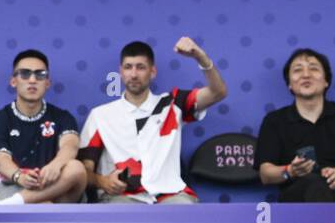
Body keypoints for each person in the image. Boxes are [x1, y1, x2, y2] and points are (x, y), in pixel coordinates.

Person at [80, 38, 228, 204]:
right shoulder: (100, 115)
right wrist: (103, 181)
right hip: (122, 197)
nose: (134, 74)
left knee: (186, 209)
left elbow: (218, 92)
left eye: (141, 67)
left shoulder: (173, 103)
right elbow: (84, 170)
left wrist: (200, 57)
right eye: (128, 67)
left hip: (171, 195)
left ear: (153, 72)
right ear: (120, 72)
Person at [255, 48, 335, 202]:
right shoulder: (275, 121)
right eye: (297, 70)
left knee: (323, 186)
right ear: (289, 84)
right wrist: (290, 171)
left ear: (326, 81)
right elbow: (266, 174)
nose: (306, 75)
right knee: (313, 183)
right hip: (297, 200)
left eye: (314, 68)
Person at [0, 49, 87, 204]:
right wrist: (20, 176)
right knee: (44, 206)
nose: (32, 80)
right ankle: (19, 203)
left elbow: (70, 146)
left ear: (47, 83)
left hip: (53, 183)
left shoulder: (63, 117)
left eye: (40, 75)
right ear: (13, 81)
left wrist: (55, 166)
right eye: (25, 74)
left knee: (76, 168)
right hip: (12, 183)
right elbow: (1, 160)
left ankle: (21, 204)